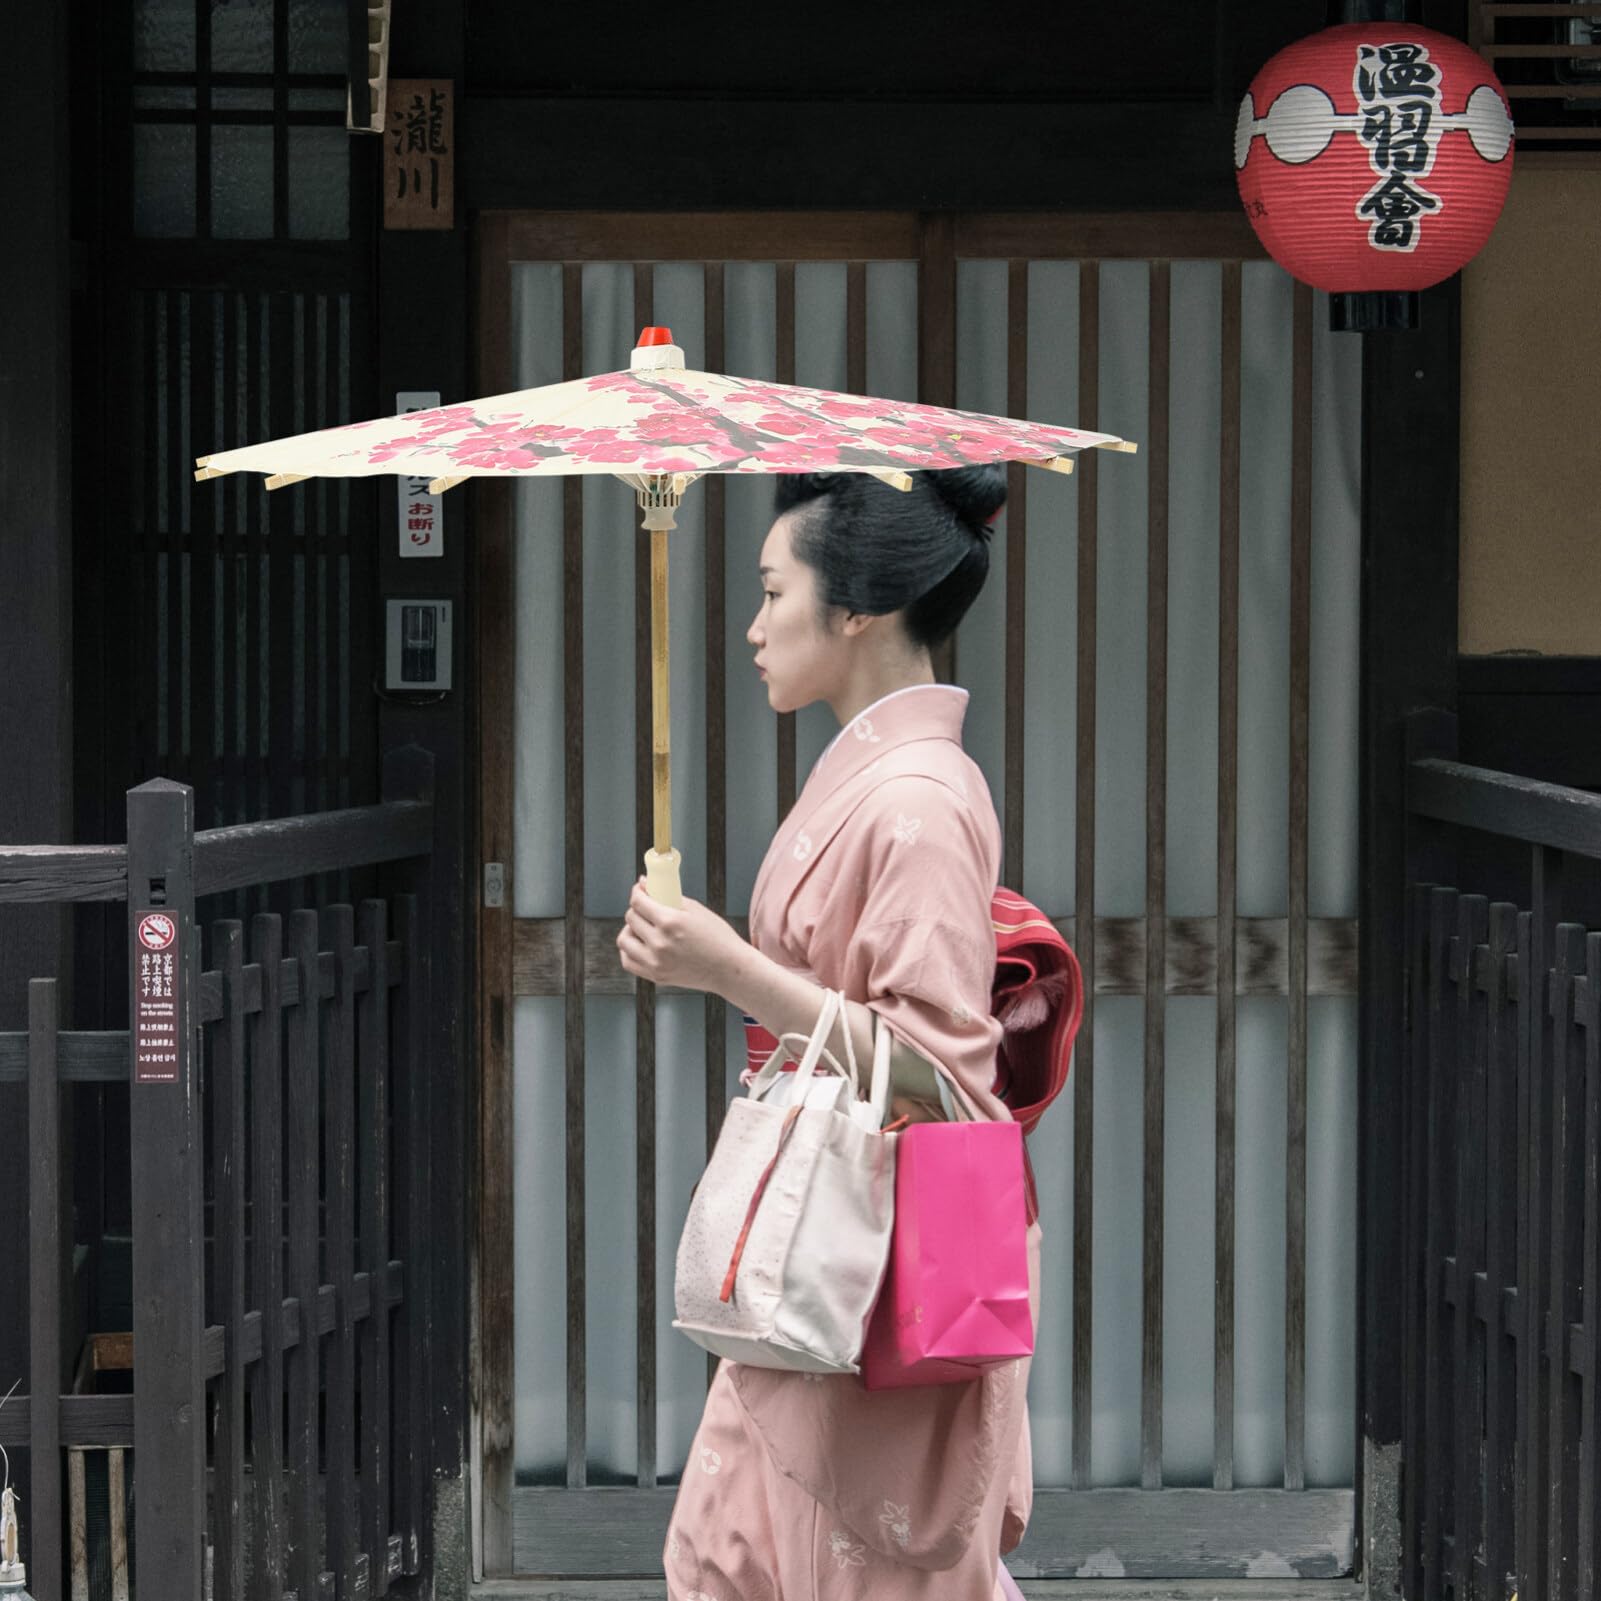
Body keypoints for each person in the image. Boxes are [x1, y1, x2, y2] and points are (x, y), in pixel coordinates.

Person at [618, 465, 1040, 1601]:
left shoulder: (914, 799)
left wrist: (728, 969)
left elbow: (938, 1067)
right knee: (745, 1552)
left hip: (867, 1252)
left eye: (771, 592)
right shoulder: (884, 776)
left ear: (854, 610)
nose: (752, 628)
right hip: (823, 1240)